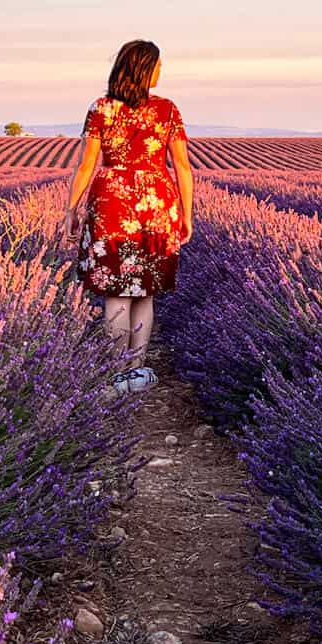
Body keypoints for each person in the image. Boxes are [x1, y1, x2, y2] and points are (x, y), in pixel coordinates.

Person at [63, 39, 195, 395]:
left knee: (115, 293)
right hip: (156, 204)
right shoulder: (167, 110)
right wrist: (187, 214)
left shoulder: (101, 108)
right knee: (145, 293)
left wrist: (71, 210)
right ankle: (135, 371)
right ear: (142, 68)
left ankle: (113, 374)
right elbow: (182, 166)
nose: (161, 71)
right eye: (157, 65)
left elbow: (87, 165)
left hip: (112, 202)